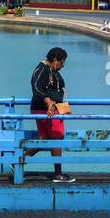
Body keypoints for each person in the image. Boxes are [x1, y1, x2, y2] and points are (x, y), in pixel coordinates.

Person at [31, 47, 74, 183]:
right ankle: (58, 174)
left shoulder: (51, 70)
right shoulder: (42, 69)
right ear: (55, 60)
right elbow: (36, 88)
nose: (63, 65)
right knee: (57, 137)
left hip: (49, 109)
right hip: (46, 111)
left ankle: (17, 162)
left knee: (43, 139)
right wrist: (49, 102)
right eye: (62, 62)